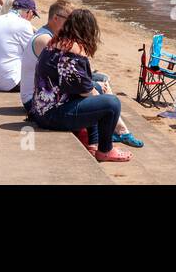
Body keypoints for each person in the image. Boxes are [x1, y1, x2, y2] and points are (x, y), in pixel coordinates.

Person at [30, 9, 131, 163]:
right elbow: (85, 91)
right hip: (51, 116)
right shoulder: (73, 50)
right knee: (111, 103)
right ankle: (105, 150)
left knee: (96, 92)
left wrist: (94, 89)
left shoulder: (55, 43)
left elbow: (77, 85)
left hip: (42, 110)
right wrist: (103, 101)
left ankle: (93, 144)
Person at [0, 0, 38, 91]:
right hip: (11, 82)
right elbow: (33, 54)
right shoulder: (24, 24)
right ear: (29, 12)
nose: (32, 18)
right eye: (33, 15)